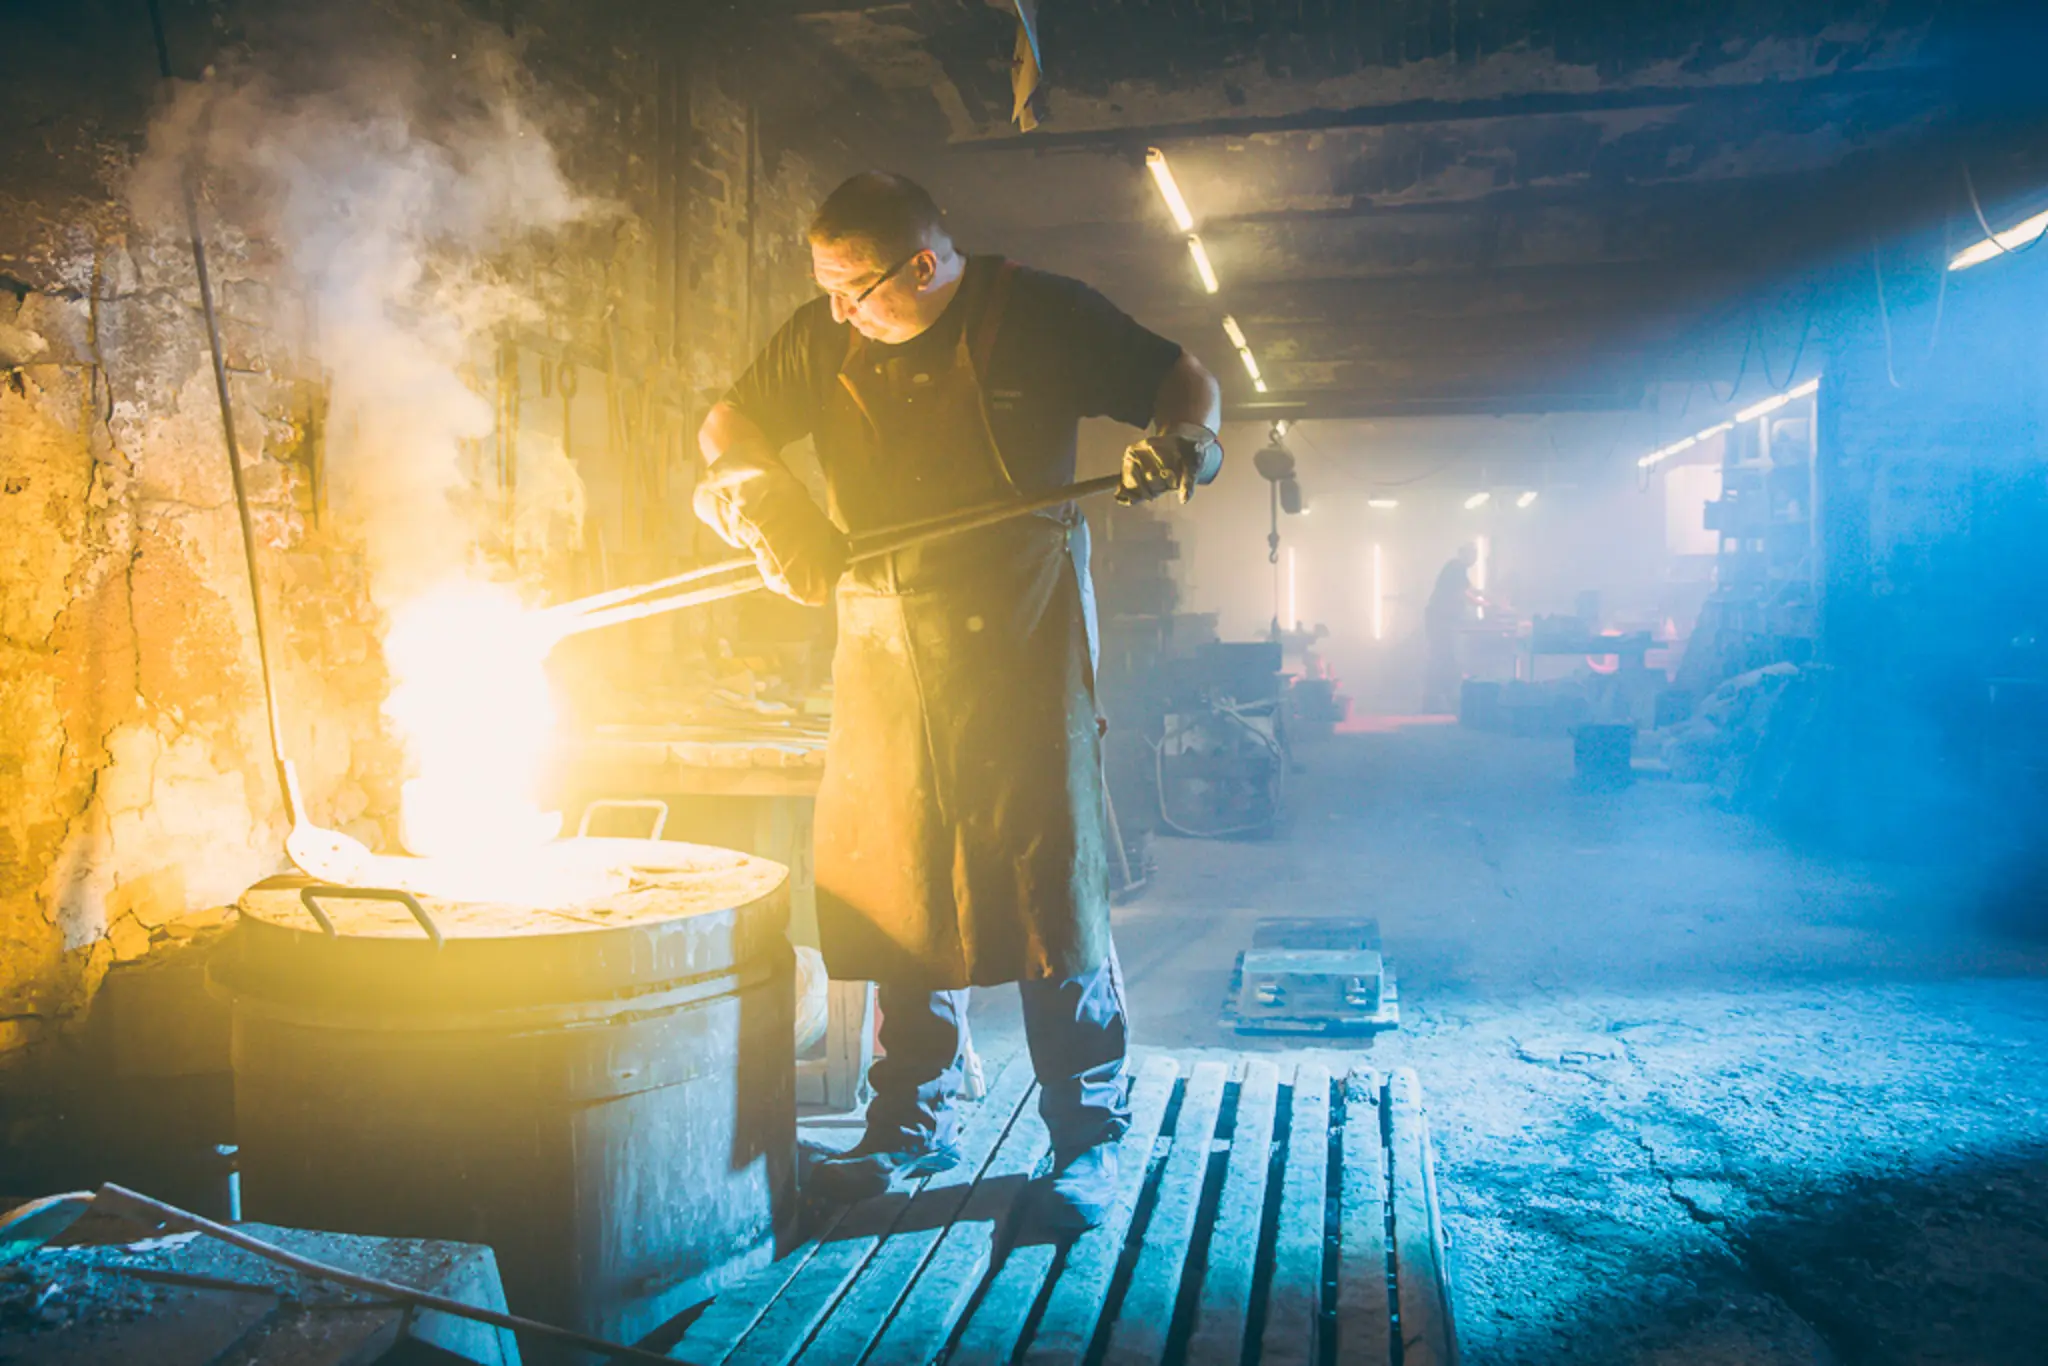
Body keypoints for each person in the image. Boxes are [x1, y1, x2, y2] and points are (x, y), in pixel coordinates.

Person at [694, 172, 1222, 1231]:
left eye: (853, 289)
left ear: (923, 267)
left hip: (1022, 634)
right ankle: (908, 1126)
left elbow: (1182, 378)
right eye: (825, 289)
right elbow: (728, 423)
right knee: (900, 886)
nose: (836, 309)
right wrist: (764, 500)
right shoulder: (822, 340)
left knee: (1046, 881)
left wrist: (1182, 443)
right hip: (885, 639)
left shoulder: (1041, 314)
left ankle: (1086, 1135)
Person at [1423, 543, 1481, 712]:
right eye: (1473, 555)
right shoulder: (1456, 567)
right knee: (1443, 657)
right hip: (1440, 619)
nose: (1475, 559)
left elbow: (1468, 590)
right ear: (1465, 554)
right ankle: (1438, 700)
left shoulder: (1457, 569)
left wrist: (1483, 597)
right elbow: (1462, 593)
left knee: (1442, 657)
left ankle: (1436, 700)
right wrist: (1483, 604)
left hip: (1441, 618)